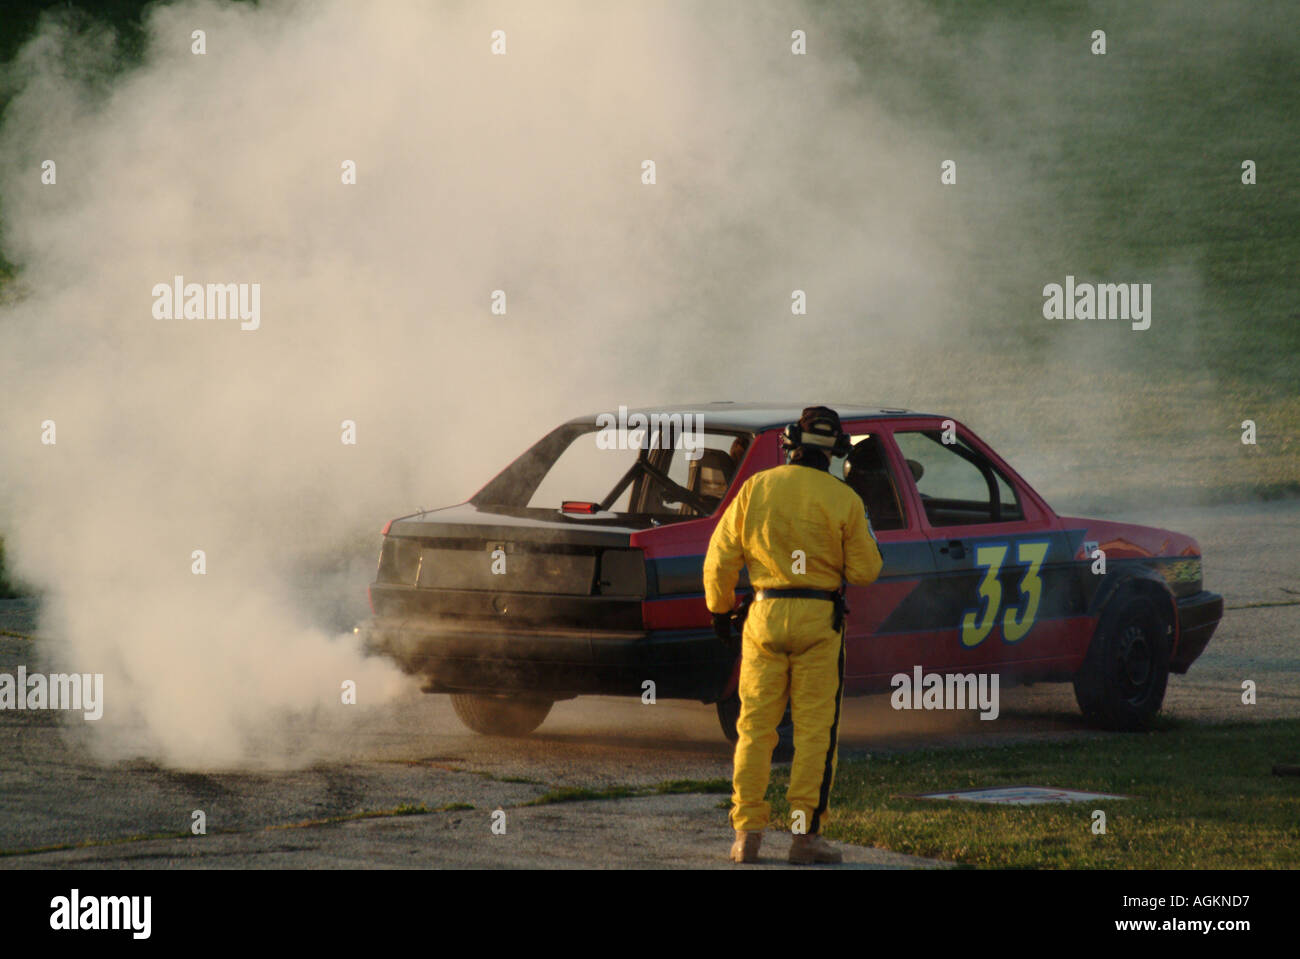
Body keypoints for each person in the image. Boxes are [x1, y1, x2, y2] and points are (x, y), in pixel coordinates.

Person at [704, 406, 883, 864]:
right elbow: (866, 570)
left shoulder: (754, 488)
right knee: (814, 735)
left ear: (788, 442)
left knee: (755, 730)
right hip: (818, 621)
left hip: (763, 617)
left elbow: (720, 557)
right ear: (837, 450)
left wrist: (721, 611)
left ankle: (747, 836)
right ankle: (805, 838)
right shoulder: (844, 500)